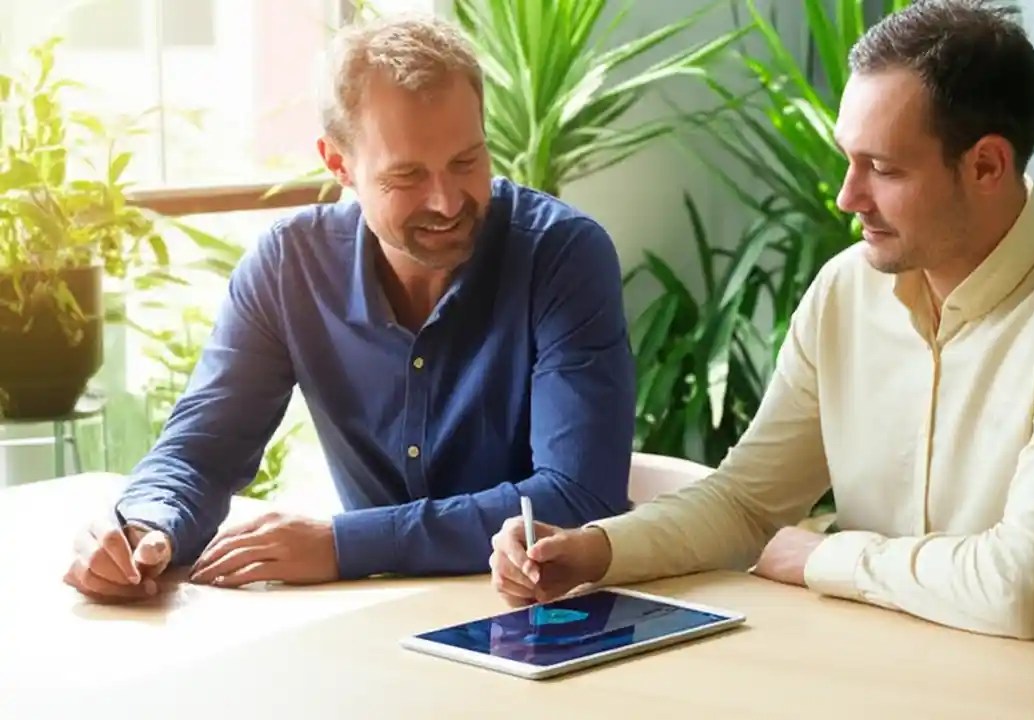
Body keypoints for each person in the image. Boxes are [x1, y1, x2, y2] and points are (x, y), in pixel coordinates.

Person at [489, 0, 1034, 640]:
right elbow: (744, 504)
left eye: (882, 168)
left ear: (987, 166)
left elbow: (1029, 588)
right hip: (870, 683)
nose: (849, 196)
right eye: (848, 159)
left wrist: (823, 558)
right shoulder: (847, 289)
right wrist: (595, 550)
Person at [63, 13, 636, 603]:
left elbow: (579, 497)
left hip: (546, 617)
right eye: (408, 175)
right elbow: (200, 452)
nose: (446, 200)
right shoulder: (292, 266)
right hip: (376, 620)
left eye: (467, 161)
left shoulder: (562, 255)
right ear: (338, 164)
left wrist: (344, 545)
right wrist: (145, 527)